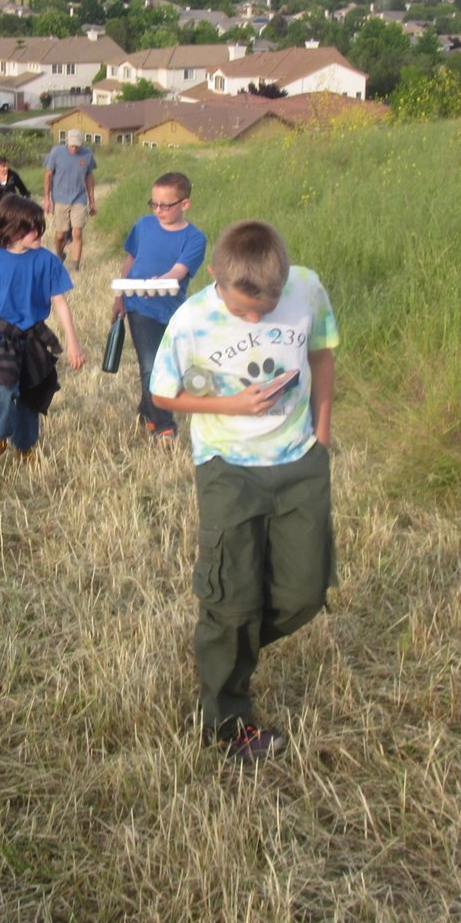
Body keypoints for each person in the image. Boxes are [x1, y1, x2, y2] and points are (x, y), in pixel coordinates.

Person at [150, 220, 339, 763]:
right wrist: (229, 406)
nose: (257, 317)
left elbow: (323, 354)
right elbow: (163, 394)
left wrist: (321, 438)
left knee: (306, 591)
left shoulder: (306, 287)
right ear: (216, 277)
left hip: (300, 460)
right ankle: (227, 719)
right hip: (228, 468)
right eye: (244, 310)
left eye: (268, 306)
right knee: (230, 600)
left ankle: (226, 647)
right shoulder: (192, 319)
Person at [0, 194, 86, 464]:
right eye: (30, 228)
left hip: (34, 336)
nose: (38, 232)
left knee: (30, 392)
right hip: (1, 336)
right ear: (10, 230)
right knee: (3, 387)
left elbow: (60, 303)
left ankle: (25, 446)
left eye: (39, 225)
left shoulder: (48, 261)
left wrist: (73, 343)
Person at [112, 172, 208, 442]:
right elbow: (131, 260)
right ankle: (165, 424)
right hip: (138, 305)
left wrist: (161, 281)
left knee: (170, 365)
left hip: (172, 310)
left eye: (165, 205)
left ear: (185, 204)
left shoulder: (195, 238)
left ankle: (146, 410)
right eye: (153, 204)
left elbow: (179, 271)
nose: (158, 210)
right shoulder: (143, 225)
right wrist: (119, 298)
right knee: (150, 364)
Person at [43, 128, 97, 271]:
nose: (74, 148)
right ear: (67, 142)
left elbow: (89, 177)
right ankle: (60, 254)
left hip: (79, 198)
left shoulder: (87, 154)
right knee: (61, 234)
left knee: (77, 232)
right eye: (72, 145)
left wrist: (92, 201)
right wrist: (47, 199)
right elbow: (48, 175)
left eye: (77, 145)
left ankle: (75, 265)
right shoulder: (56, 153)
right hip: (60, 198)